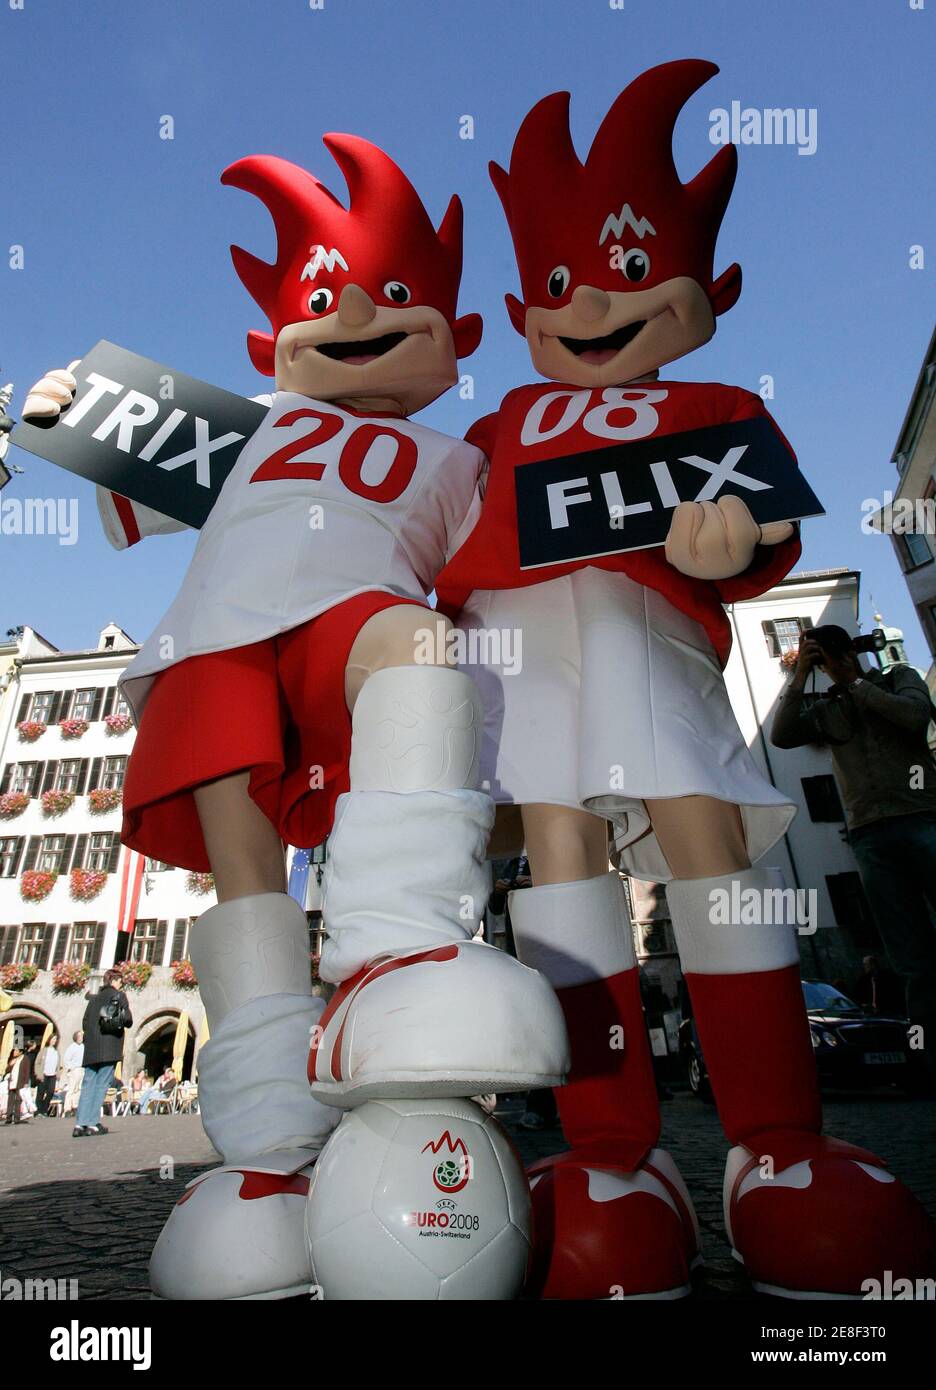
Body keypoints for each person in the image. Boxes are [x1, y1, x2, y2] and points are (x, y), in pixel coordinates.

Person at [435, 60, 936, 1298]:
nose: (594, 302)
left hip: (654, 656)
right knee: (560, 871)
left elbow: (761, 527)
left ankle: (775, 1139)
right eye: (562, 283)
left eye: (622, 268)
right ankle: (614, 1151)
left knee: (711, 849)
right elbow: (438, 524)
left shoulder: (706, 404)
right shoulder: (499, 424)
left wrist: (738, 544)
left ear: (705, 290)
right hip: (529, 666)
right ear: (522, 305)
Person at [772, 624, 936, 1078]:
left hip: (922, 814)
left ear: (854, 651)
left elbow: (914, 718)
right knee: (912, 961)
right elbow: (781, 736)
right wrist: (799, 676)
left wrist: (854, 682)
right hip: (868, 834)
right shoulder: (830, 706)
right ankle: (929, 1061)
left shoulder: (896, 678)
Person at [74, 969, 133, 1137]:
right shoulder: (119, 996)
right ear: (114, 981)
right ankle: (92, 1123)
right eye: (120, 981)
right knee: (101, 1085)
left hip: (91, 1049)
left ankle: (80, 1124)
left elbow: (85, 1022)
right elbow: (128, 1020)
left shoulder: (93, 999)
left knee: (87, 1085)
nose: (121, 984)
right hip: (109, 1047)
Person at [4, 1049, 31, 1125]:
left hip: (20, 1082)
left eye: (16, 1051)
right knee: (10, 1100)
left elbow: (27, 1070)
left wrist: (26, 1082)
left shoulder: (25, 1059)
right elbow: (7, 1071)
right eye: (14, 1051)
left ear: (20, 1052)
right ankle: (8, 1117)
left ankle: (16, 1118)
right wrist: (10, 1064)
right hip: (12, 1081)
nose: (14, 1053)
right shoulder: (12, 1059)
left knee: (18, 1100)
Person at [35, 1033, 60, 1116]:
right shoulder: (44, 1050)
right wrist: (38, 1073)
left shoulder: (56, 1052)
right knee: (41, 1092)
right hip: (44, 1074)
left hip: (52, 1075)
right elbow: (37, 1063)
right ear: (49, 1040)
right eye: (53, 1039)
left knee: (50, 1092)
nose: (54, 1041)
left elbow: (59, 1064)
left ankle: (44, 1109)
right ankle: (38, 1110)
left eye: (55, 1039)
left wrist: (58, 1073)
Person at [62, 1032, 84, 1117]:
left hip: (82, 1068)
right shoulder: (72, 1047)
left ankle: (75, 1106)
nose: (82, 1037)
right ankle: (67, 1108)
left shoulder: (83, 1046)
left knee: (78, 1089)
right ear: (76, 1038)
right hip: (75, 1069)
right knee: (71, 1089)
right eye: (80, 1036)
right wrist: (71, 1068)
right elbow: (66, 1059)